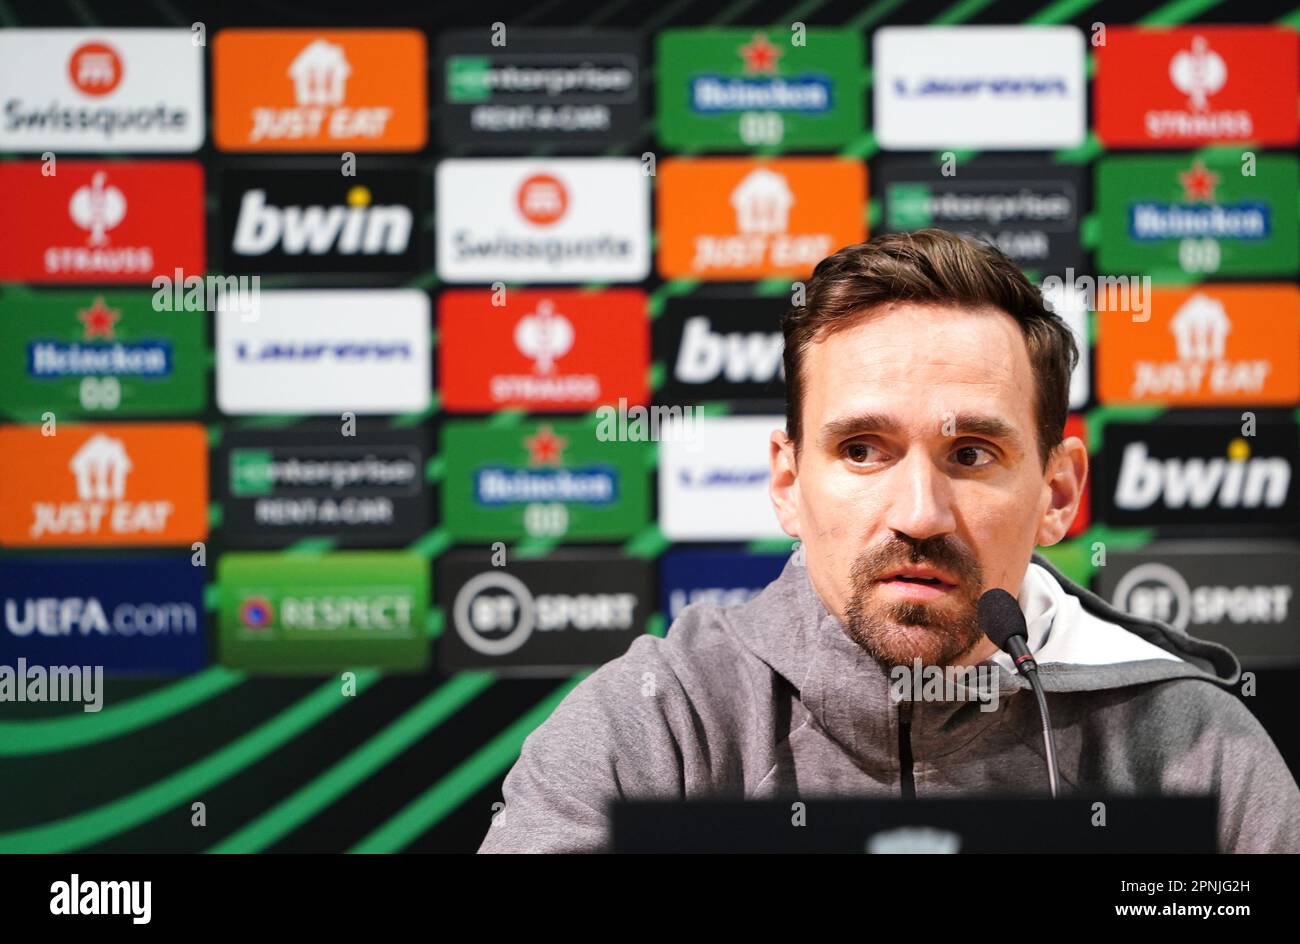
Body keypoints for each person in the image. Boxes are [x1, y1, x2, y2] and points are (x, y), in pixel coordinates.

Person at [478, 229, 1300, 853]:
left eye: (971, 454)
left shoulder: (1198, 749)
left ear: (1058, 494)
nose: (919, 512)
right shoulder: (652, 728)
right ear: (788, 482)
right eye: (862, 450)